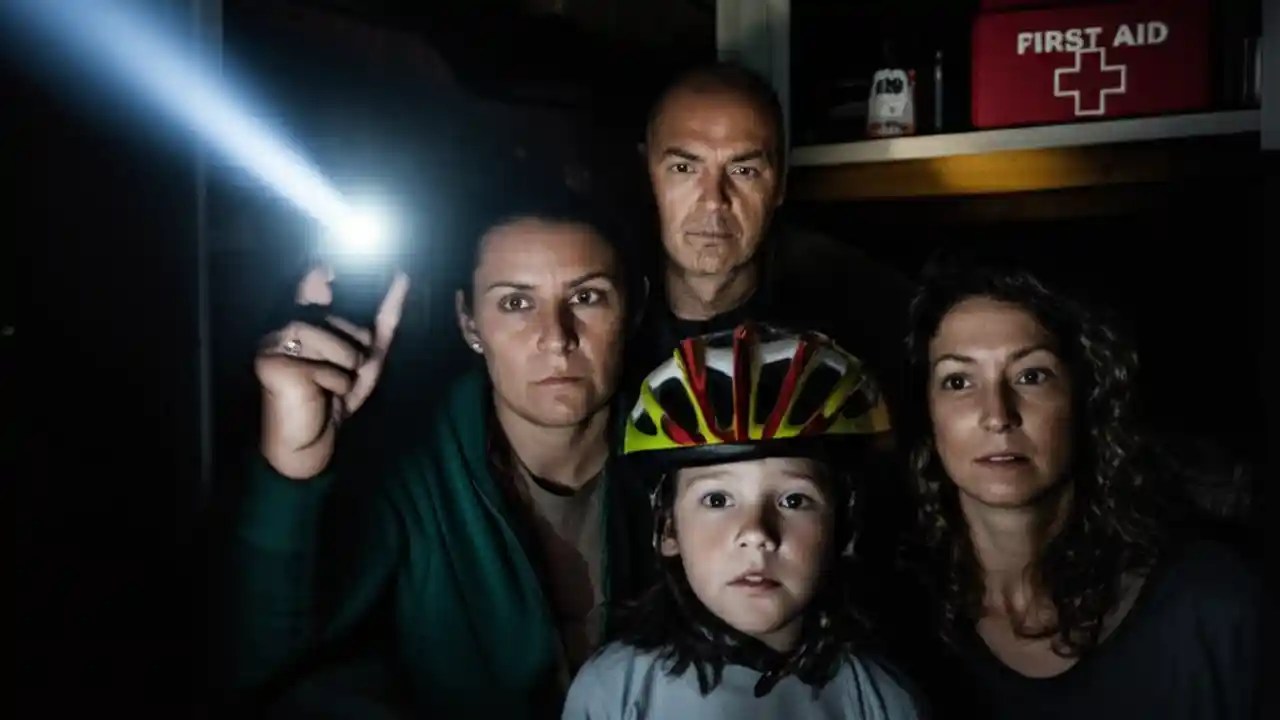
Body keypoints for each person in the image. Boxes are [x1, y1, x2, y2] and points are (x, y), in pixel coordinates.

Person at [210, 186, 653, 719]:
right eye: (516, 303)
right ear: (469, 322)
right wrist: (292, 464)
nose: (556, 338)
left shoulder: (681, 459)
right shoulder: (415, 471)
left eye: (586, 298)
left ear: (633, 309)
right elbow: (256, 663)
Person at [900, 258, 1261, 719]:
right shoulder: (890, 620)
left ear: (1084, 397)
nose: (997, 415)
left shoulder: (1215, 606)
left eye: (1031, 376)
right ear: (928, 414)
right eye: (958, 381)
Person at [563, 322, 923, 719]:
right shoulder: (614, 692)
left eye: (794, 500)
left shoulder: (880, 699)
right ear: (668, 527)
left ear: (844, 525)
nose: (755, 533)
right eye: (717, 499)